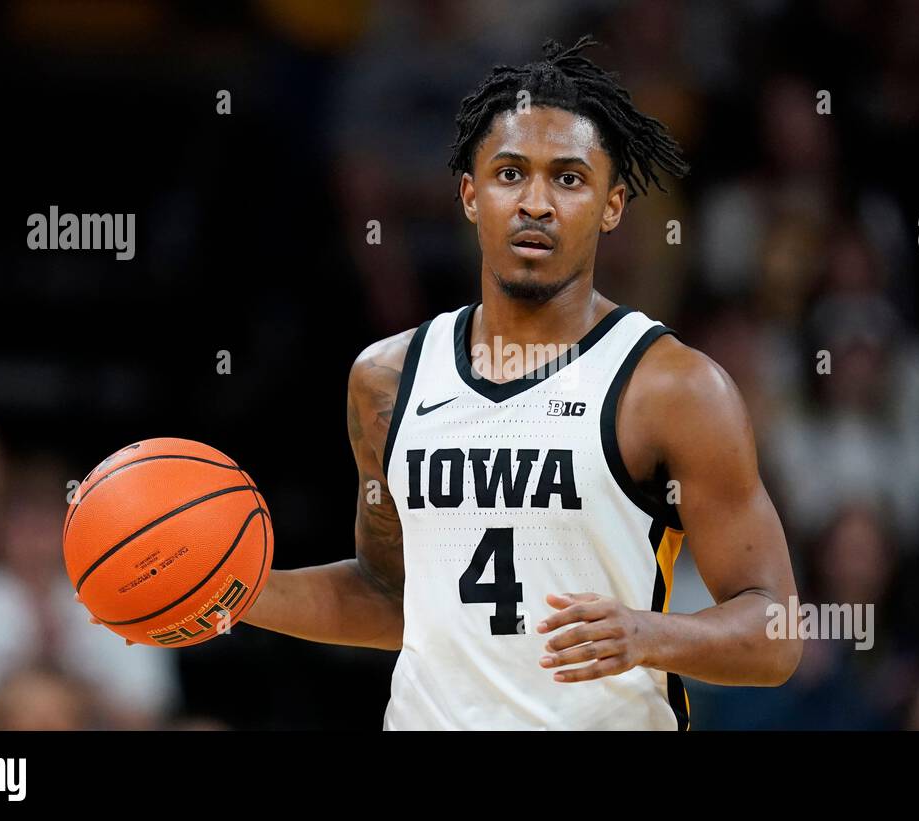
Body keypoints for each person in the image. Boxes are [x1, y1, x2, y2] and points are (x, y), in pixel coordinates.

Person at [245, 35, 801, 730]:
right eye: (511, 174)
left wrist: (650, 634)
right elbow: (393, 598)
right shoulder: (385, 379)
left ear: (613, 205)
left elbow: (776, 633)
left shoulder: (675, 388)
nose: (535, 201)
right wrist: (235, 592)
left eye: (568, 178)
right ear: (471, 196)